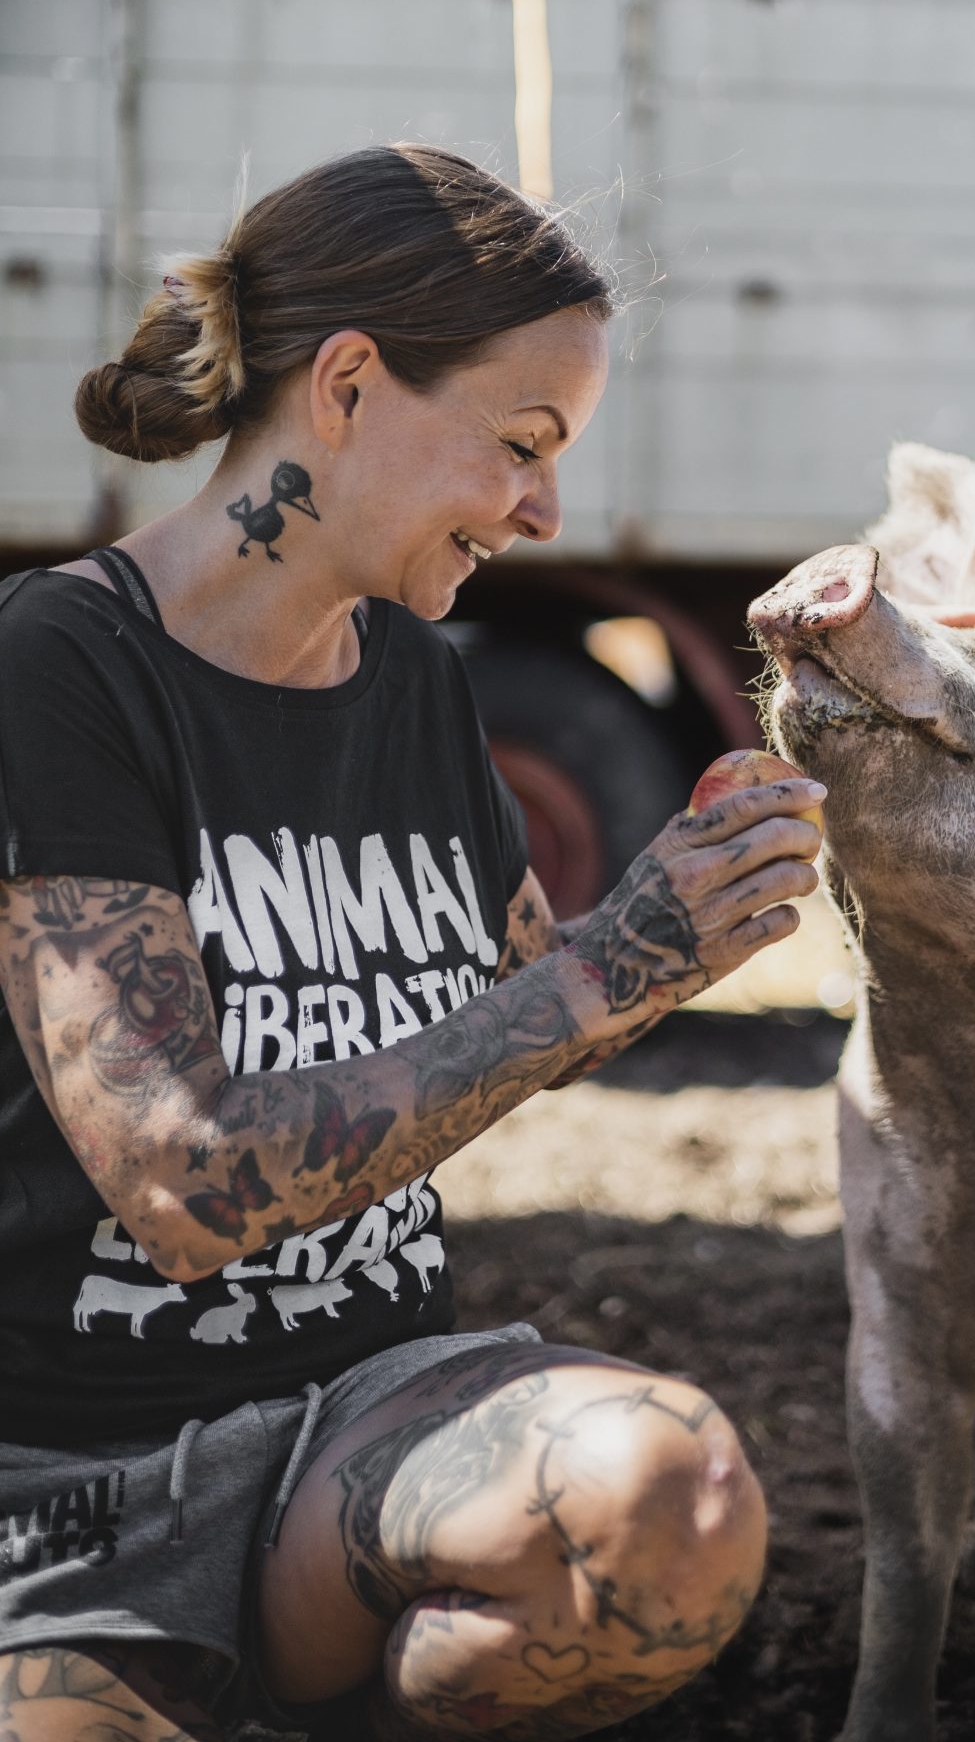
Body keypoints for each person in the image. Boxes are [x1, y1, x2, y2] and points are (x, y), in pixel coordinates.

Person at [0, 144, 827, 1741]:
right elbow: (183, 1187)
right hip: (70, 1486)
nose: (546, 507)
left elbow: (534, 1003)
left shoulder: (417, 678)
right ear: (353, 384)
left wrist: (688, 904)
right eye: (521, 445)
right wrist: (612, 968)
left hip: (353, 1435)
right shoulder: (63, 667)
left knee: (677, 1497)